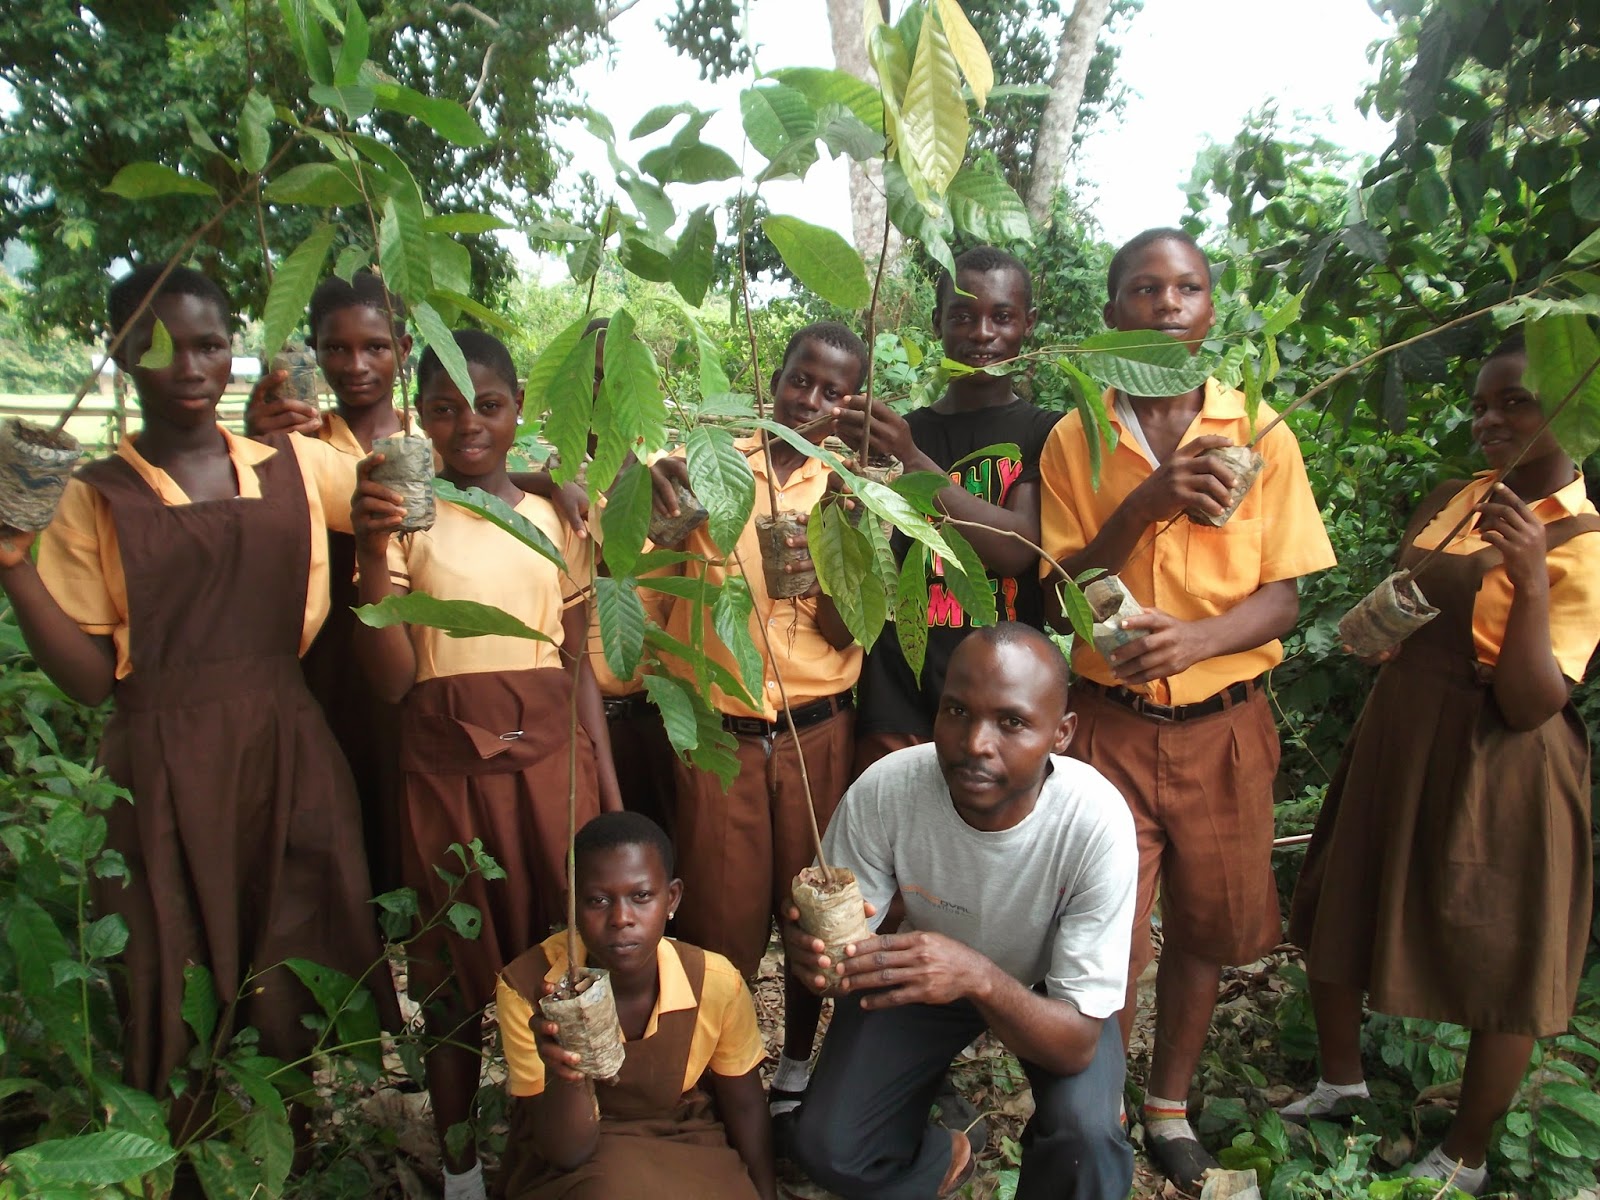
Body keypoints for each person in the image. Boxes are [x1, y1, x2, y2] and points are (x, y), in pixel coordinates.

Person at [0, 265, 385, 1108]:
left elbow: (414, 498)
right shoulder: (91, 498)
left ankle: (292, 1137)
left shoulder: (293, 466)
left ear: (234, 352)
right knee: (169, 960)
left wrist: (545, 485)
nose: (190, 365)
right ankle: (186, 1149)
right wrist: (15, 573)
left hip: (285, 744)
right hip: (161, 758)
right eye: (162, 344)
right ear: (121, 352)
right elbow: (93, 681)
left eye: (211, 344)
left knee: (292, 943)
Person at [1037, 227, 1336, 1191]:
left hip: (1225, 728)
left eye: (1189, 288)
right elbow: (1055, 595)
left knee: (1206, 929)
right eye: (1145, 289)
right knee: (1106, 933)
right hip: (1109, 729)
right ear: (1113, 312)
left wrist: (1198, 641)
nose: (1169, 304)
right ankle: (1103, 1110)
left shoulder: (1258, 432)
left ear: (1211, 310)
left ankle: (1167, 1106)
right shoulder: (1076, 435)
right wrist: (1152, 498)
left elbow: (1286, 596)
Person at [1284, 333, 1600, 1196]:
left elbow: (1536, 701)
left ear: (1572, 407)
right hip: (1403, 733)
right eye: (1482, 405)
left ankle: (1464, 1152)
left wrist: (1533, 578)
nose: (1490, 421)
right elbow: (1418, 594)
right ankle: (1340, 1080)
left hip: (1500, 765)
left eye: (1515, 403)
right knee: (1349, 890)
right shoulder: (1459, 497)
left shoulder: (1580, 536)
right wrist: (1382, 632)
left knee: (1503, 948)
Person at [350, 329, 622, 1200]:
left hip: (550, 769)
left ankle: (563, 1146)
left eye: (489, 406)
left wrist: (606, 791)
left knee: (565, 961)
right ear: (418, 420)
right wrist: (368, 556)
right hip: (446, 774)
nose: (467, 425)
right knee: (453, 971)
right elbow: (393, 683)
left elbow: (576, 664)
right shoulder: (406, 521)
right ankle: (463, 1168)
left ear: (517, 415)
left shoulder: (554, 518)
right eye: (442, 408)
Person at [783, 623, 1137, 1200]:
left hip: (1048, 992)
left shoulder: (1095, 823)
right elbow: (844, 953)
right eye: (957, 712)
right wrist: (817, 953)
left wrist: (975, 976)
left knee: (1088, 1143)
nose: (976, 743)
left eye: (1012, 722)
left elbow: (1075, 1041)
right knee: (829, 1146)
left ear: (1062, 733)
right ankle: (941, 1157)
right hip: (928, 969)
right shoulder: (889, 788)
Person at [647, 321, 864, 1130]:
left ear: (850, 407)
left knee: (813, 913)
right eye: (800, 380)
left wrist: (832, 553)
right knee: (720, 919)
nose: (811, 401)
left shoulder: (848, 485)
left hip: (818, 728)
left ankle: (800, 1068)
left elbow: (849, 633)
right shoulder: (709, 468)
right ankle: (720, 1071)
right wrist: (660, 487)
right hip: (722, 734)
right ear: (774, 380)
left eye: (832, 391)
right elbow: (657, 581)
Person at [833, 246, 1062, 775]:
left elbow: (1017, 549)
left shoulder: (1042, 432)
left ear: (1028, 324)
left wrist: (912, 460)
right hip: (897, 694)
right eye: (963, 316)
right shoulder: (898, 431)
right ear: (938, 322)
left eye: (1001, 316)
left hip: (1001, 702)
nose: (982, 333)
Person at [496, 811, 777, 1200]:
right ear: (571, 906)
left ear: (672, 898)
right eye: (597, 900)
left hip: (682, 1134)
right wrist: (565, 1073)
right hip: (573, 1145)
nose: (622, 919)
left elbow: (744, 1105)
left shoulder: (713, 982)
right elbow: (567, 1152)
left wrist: (765, 1192)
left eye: (641, 896)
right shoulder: (529, 988)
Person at [580, 317, 679, 830]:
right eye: (595, 378)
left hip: (664, 712)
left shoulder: (675, 479)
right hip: (584, 715)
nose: (607, 393)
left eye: (622, 378)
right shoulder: (554, 486)